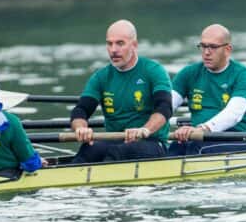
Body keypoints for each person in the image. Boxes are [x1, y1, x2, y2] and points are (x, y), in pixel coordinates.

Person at [69, 20, 172, 163]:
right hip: (115, 141)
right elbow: (81, 110)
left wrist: (145, 129)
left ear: (134, 45)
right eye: (109, 44)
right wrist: (81, 128)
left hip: (152, 142)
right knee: (89, 149)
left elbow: (165, 107)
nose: (113, 50)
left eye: (120, 43)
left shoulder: (153, 71)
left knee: (118, 153)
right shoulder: (101, 77)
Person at [170, 24, 246, 154]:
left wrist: (202, 129)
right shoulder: (188, 73)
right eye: (203, 46)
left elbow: (233, 114)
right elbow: (166, 105)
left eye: (213, 47)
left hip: (237, 138)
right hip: (198, 137)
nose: (206, 52)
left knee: (197, 148)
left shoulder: (244, 75)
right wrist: (145, 125)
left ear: (228, 49)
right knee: (172, 149)